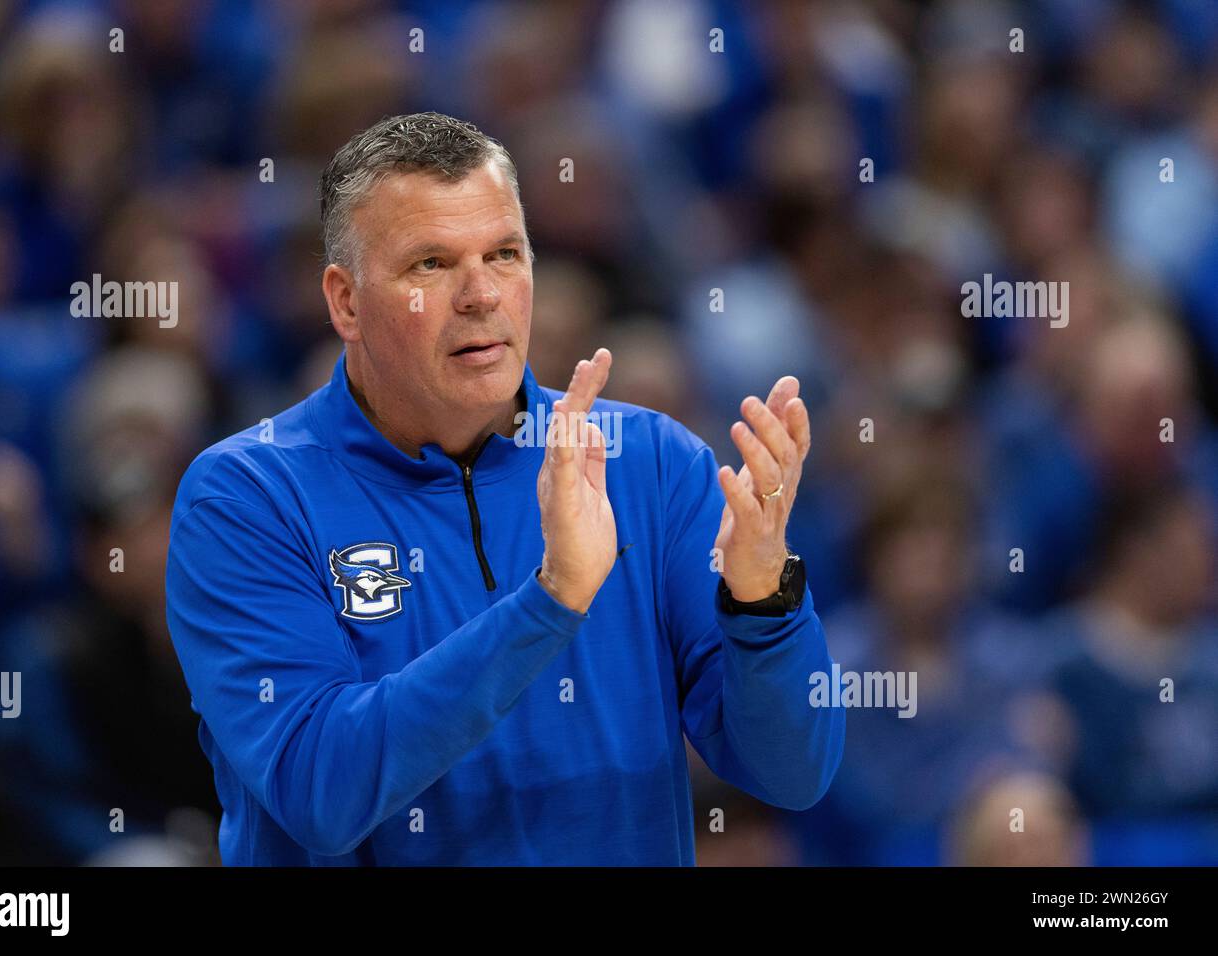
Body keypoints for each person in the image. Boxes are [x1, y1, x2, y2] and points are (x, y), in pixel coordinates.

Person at [164, 112, 844, 865]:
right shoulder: (245, 497)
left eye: (504, 253)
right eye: (430, 264)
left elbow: (794, 773)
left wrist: (763, 603)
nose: (481, 294)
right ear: (346, 301)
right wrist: (550, 600)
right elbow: (320, 790)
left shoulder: (650, 462)